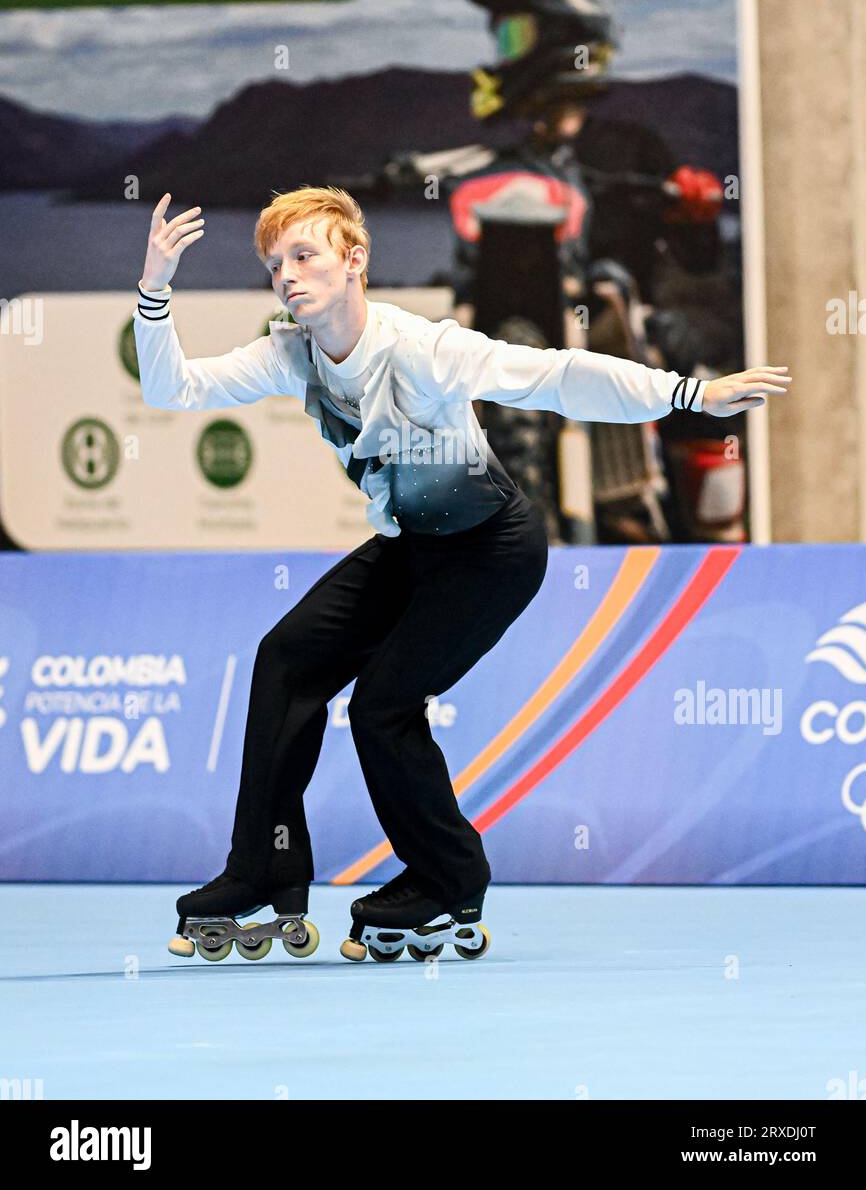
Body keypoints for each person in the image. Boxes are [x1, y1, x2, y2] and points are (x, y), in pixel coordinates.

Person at [135, 185, 790, 963]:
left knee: (382, 705)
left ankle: (448, 878)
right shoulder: (291, 352)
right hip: (413, 547)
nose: (288, 275)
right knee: (287, 658)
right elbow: (170, 388)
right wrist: (154, 286)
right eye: (276, 264)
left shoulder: (423, 349)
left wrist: (688, 395)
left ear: (355, 261)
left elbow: (556, 373)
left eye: (304, 255)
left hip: (492, 551)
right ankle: (264, 865)